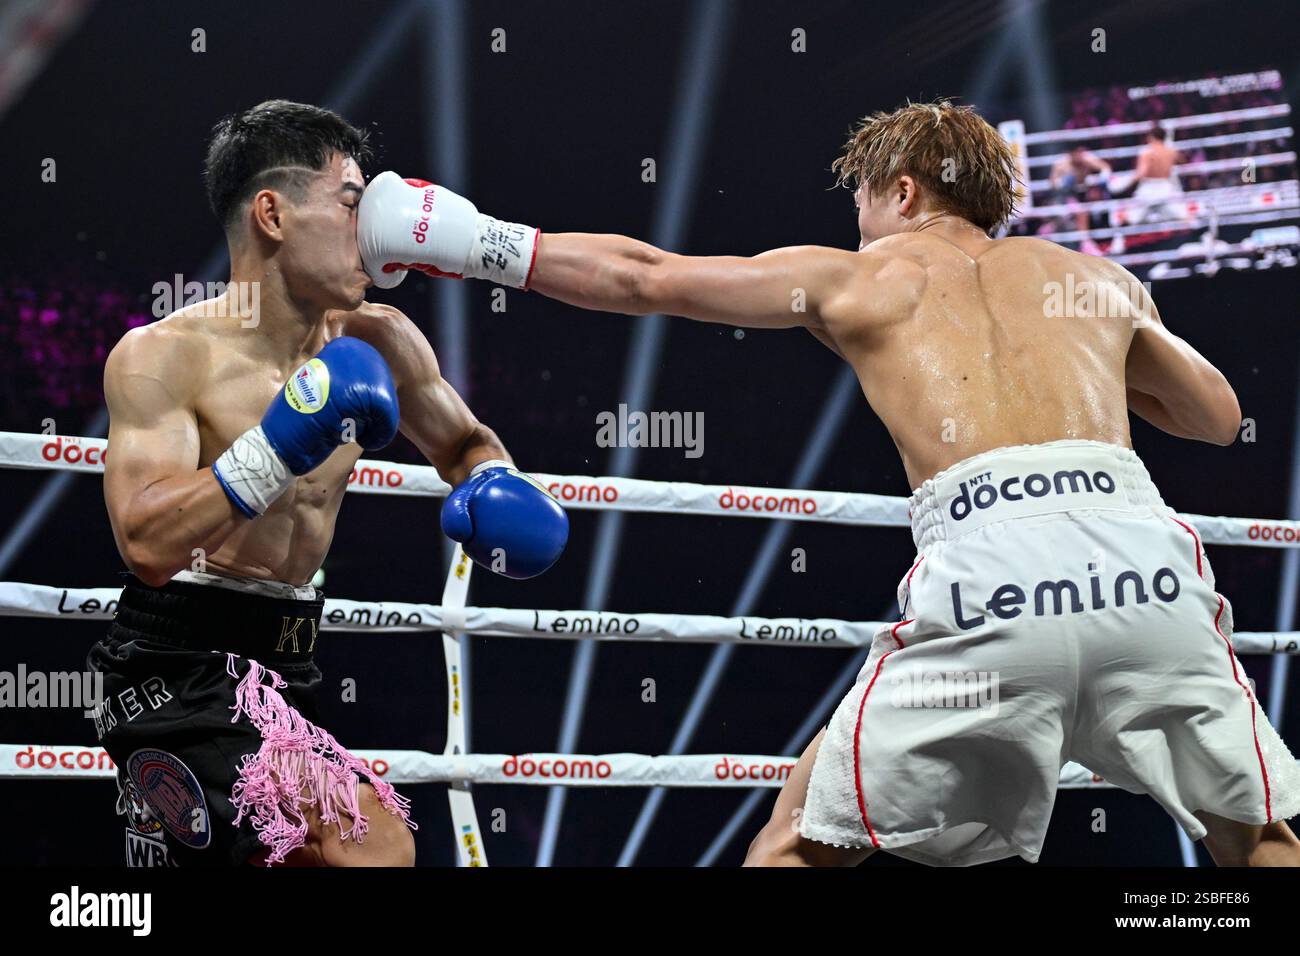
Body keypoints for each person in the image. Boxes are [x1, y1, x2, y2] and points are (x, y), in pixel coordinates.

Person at [355, 99, 1300, 867]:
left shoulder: (860, 278)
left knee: (799, 842)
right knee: (1251, 836)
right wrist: (1087, 360)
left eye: (861, 200)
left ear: (901, 188)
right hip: (1143, 560)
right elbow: (1216, 418)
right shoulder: (1097, 280)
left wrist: (464, 239)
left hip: (993, 574)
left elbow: (645, 278)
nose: (855, 222)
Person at [89, 100, 568, 868]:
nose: (375, 231)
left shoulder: (379, 338)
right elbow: (145, 542)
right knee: (374, 846)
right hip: (178, 663)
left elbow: (465, 443)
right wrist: (278, 443)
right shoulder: (164, 355)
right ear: (272, 215)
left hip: (292, 664)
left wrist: (491, 483)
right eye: (353, 204)